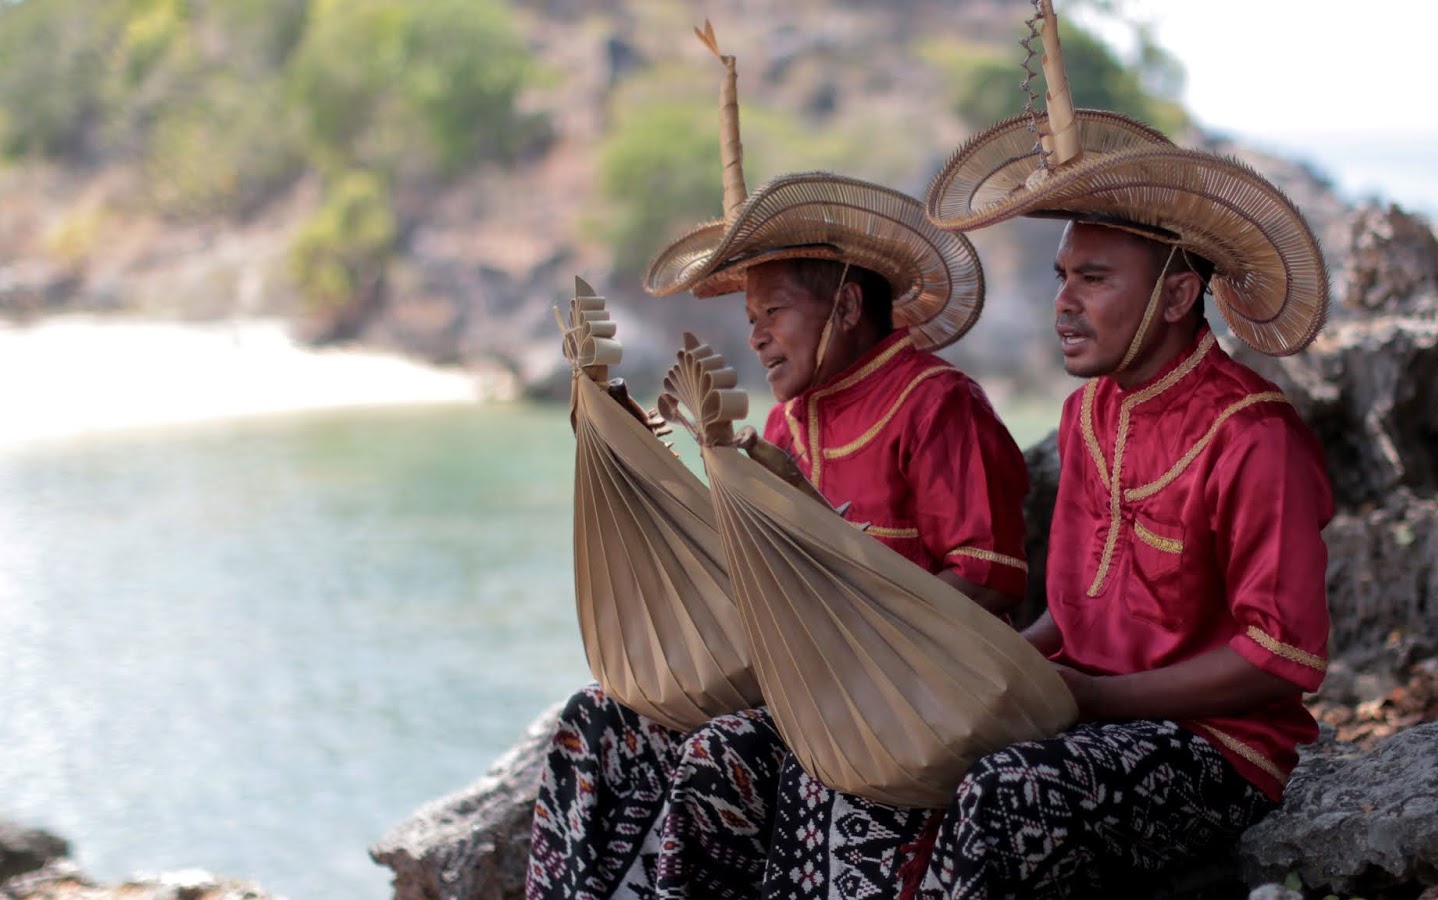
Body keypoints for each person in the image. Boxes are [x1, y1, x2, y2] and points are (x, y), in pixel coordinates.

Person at [758, 6, 1337, 898]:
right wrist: (984, 684)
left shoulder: (1255, 435)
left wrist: (1090, 700)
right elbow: (1067, 615)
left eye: (1095, 280)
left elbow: (1279, 657)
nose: (1066, 302)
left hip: (1225, 752)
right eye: (1064, 277)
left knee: (1001, 792)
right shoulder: (1087, 419)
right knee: (868, 761)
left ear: (1179, 293)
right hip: (1084, 717)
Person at [525, 109, 1032, 900]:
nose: (757, 338)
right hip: (806, 683)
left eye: (775, 314)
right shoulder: (783, 425)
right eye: (751, 319)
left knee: (719, 753)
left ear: (846, 309)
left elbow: (994, 582)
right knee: (600, 717)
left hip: (913, 698)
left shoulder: (937, 404)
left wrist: (859, 630)